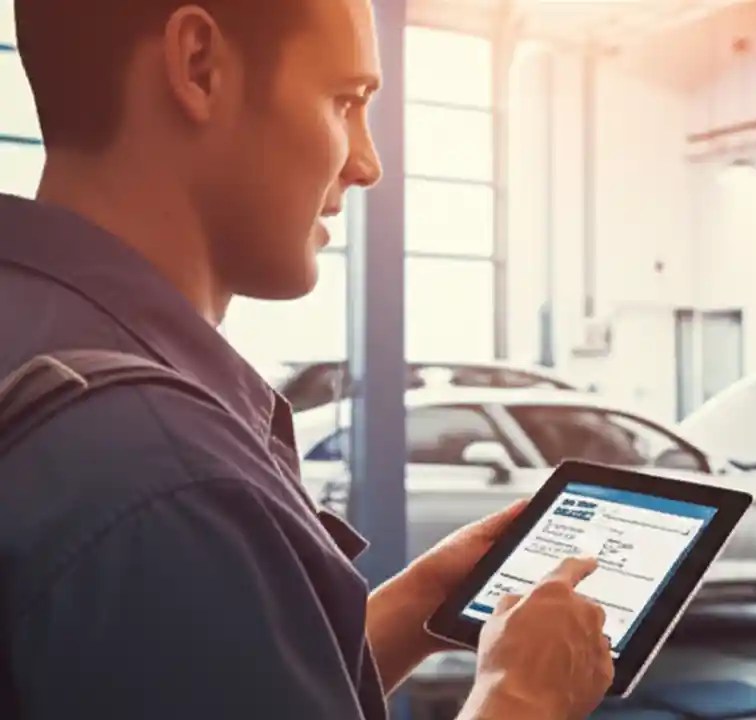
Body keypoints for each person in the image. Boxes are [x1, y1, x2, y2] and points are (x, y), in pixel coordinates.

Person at [0, 1, 612, 718]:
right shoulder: (169, 478)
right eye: (345, 101)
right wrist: (523, 697)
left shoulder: (37, 331)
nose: (367, 162)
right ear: (199, 65)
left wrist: (420, 603)